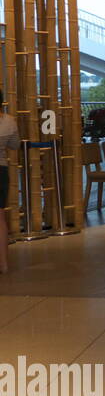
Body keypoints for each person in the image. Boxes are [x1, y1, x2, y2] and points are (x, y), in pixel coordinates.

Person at [0, 96, 18, 274]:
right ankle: (4, 264)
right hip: (1, 171)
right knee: (0, 219)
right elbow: (15, 145)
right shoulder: (9, 121)